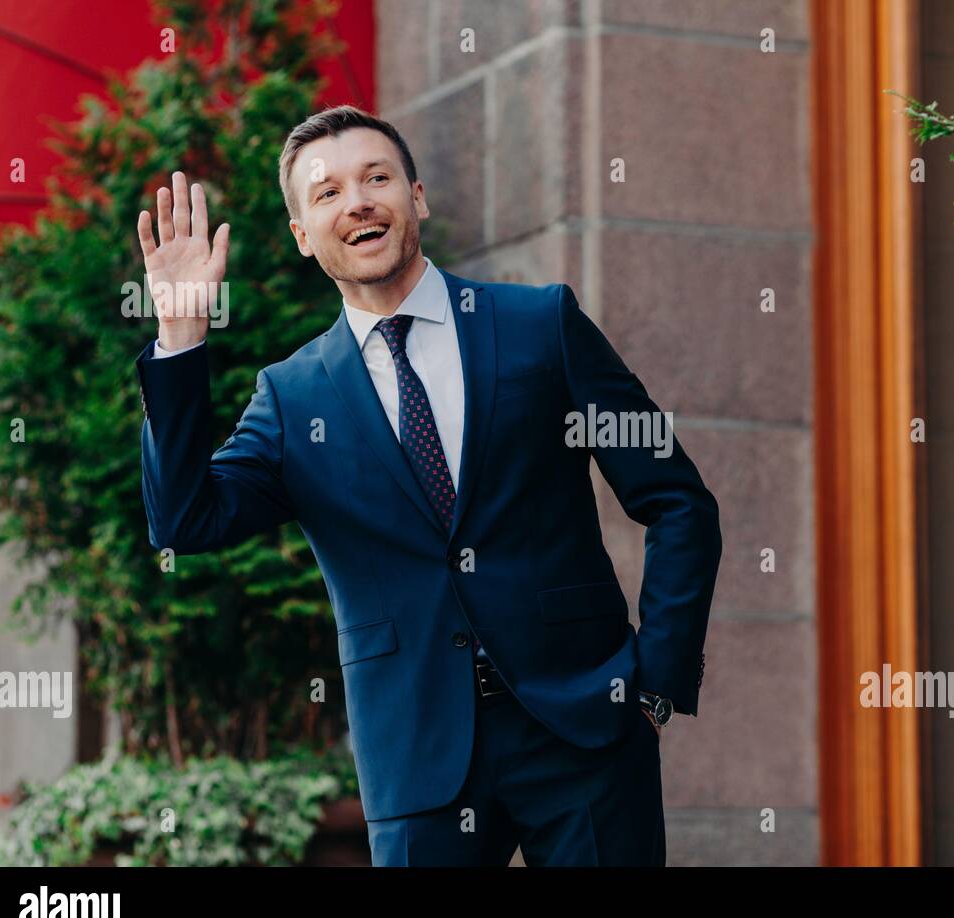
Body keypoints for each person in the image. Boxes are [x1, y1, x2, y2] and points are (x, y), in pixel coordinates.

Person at [134, 105, 722, 866]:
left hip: (585, 729)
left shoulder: (539, 326)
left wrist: (655, 682)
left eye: (376, 178)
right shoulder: (293, 398)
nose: (357, 202)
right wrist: (181, 338)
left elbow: (677, 501)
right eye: (327, 193)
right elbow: (184, 520)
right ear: (302, 238)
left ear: (417, 196)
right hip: (415, 754)